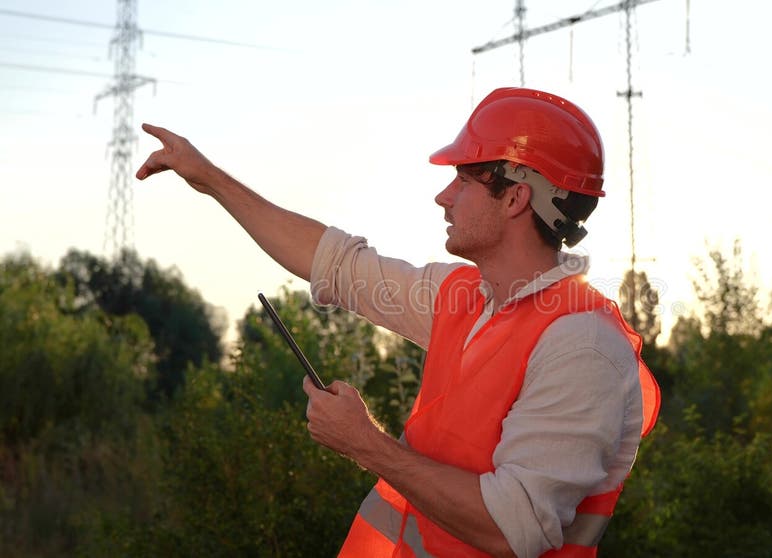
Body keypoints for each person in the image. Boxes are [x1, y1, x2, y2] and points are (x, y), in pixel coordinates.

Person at [136, 86, 661, 558]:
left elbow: (512, 528)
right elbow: (335, 264)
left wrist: (367, 443)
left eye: (464, 179)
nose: (443, 196)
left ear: (516, 196)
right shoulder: (463, 296)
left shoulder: (582, 346)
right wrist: (208, 179)